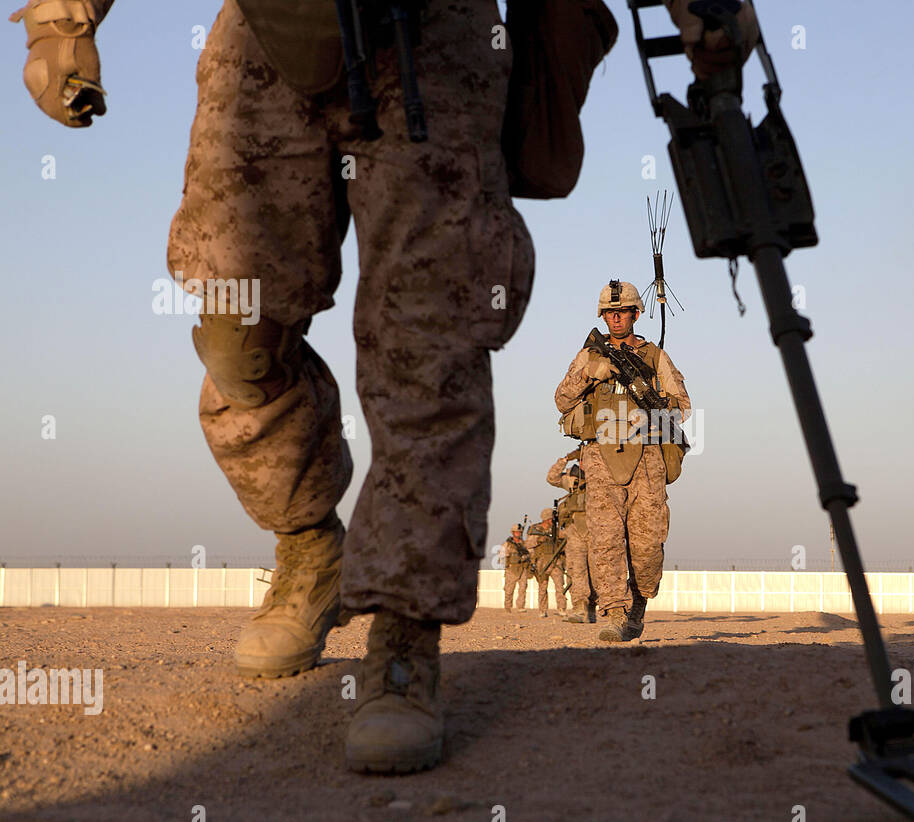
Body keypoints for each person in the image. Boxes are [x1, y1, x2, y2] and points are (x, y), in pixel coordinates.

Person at [10, 0, 754, 773]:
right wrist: (59, 21)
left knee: (429, 353)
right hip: (270, 40)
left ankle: (403, 630)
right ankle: (308, 548)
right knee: (239, 332)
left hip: (434, 43)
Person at [554, 279, 690, 642]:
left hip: (646, 457)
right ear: (603, 315)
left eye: (623, 312)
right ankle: (615, 612)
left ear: (635, 313)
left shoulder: (656, 358)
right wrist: (588, 373)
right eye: (610, 313)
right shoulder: (589, 355)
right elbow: (561, 400)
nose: (616, 319)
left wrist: (651, 418)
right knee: (605, 539)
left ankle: (639, 603)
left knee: (647, 546)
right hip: (599, 456)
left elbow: (683, 407)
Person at [549, 454, 596, 624]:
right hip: (575, 528)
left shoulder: (602, 474)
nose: (585, 462)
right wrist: (564, 460)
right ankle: (578, 607)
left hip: (598, 527)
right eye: (582, 457)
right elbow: (552, 478)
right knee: (576, 569)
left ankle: (591, 609)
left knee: (597, 571)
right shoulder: (572, 477)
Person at [525, 507, 566, 618]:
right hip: (542, 563)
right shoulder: (536, 529)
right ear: (546, 519)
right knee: (543, 588)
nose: (551, 521)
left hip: (555, 562)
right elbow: (528, 544)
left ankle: (561, 608)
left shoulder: (556, 530)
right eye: (550, 519)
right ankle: (542, 610)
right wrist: (539, 539)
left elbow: (566, 537)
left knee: (560, 586)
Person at [501, 523, 530, 612]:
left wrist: (526, 557)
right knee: (509, 589)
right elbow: (502, 556)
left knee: (523, 588)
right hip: (512, 569)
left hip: (522, 568)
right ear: (513, 533)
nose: (518, 534)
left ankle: (520, 606)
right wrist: (507, 565)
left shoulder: (524, 544)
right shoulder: (508, 544)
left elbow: (530, 554)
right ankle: (508, 607)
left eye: (519, 532)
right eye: (516, 532)